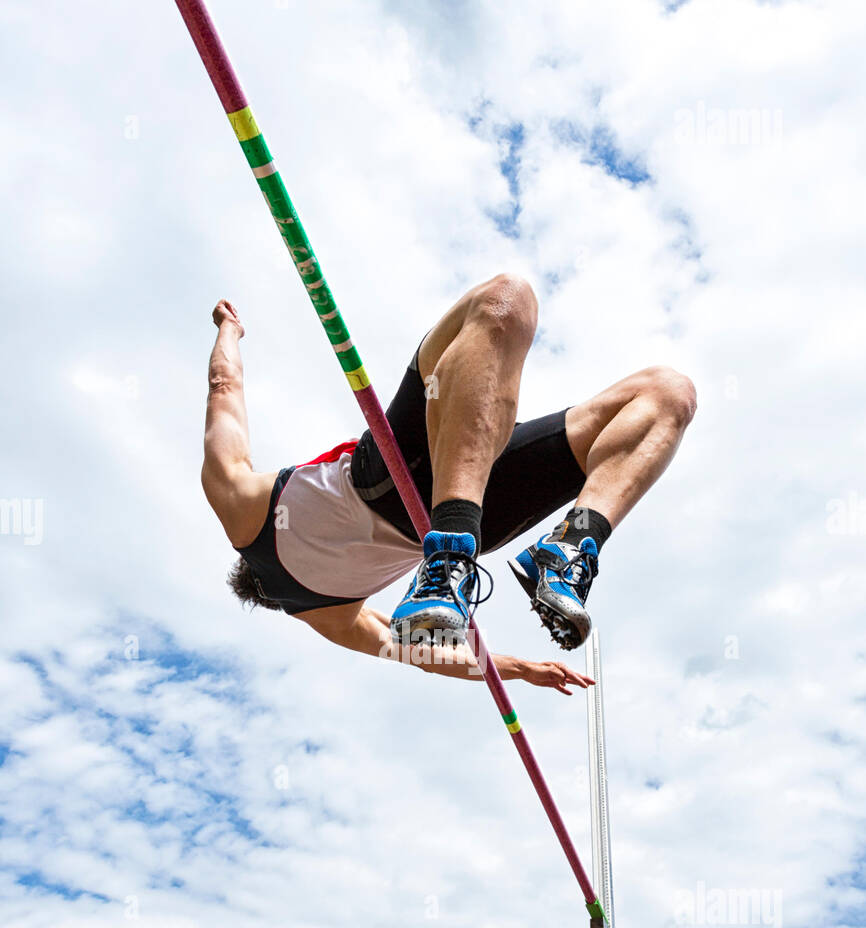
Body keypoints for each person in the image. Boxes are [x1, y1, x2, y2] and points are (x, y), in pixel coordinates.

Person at [200, 275, 695, 695]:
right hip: (407, 484)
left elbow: (426, 654)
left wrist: (523, 670)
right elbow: (225, 388)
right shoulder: (239, 506)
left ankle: (565, 547)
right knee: (517, 305)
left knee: (662, 392)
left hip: (473, 508)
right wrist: (230, 329)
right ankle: (477, 544)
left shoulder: (327, 617)